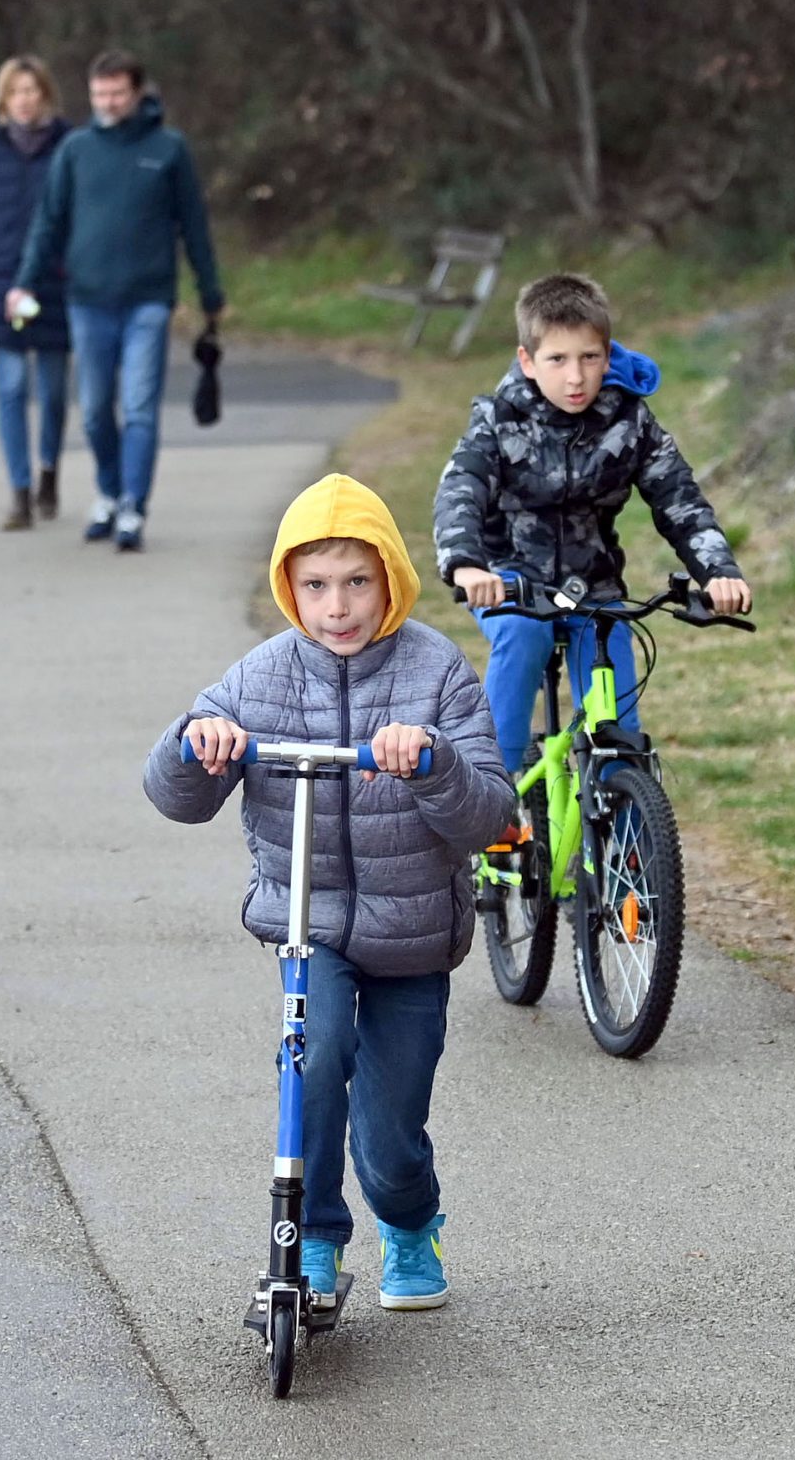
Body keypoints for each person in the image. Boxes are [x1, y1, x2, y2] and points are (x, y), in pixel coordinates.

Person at [142, 473, 513, 1310]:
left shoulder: (437, 670)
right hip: (309, 929)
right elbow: (176, 797)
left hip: (414, 933)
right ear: (288, 586)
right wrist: (196, 741)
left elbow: (489, 816)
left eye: (356, 582)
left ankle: (410, 1225)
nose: (336, 607)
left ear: (391, 579)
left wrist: (431, 762)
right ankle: (309, 1237)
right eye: (314, 585)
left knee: (390, 1130)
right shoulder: (261, 676)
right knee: (311, 1070)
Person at [432, 272, 756, 773]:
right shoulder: (498, 420)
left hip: (594, 587)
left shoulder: (630, 422)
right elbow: (461, 488)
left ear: (608, 356)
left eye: (589, 357)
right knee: (523, 635)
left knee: (617, 723)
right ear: (527, 361)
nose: (576, 377)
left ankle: (620, 806)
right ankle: (491, 782)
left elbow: (680, 499)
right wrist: (466, 565)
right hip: (511, 580)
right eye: (557, 360)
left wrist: (718, 572)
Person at [6, 49, 225, 554]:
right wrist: (24, 282)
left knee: (140, 407)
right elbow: (48, 221)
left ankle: (133, 506)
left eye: (117, 93)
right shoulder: (76, 150)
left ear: (138, 93)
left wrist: (209, 291)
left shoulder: (169, 149)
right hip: (88, 300)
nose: (107, 102)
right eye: (99, 94)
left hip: (148, 300)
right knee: (94, 411)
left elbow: (194, 226)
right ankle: (108, 491)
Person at [0, 55, 74, 530]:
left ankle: (49, 468)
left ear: (45, 95)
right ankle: (19, 491)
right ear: (3, 100)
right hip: (1, 284)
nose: (24, 100)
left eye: (31, 90)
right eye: (15, 92)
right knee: (10, 389)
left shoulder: (68, 146)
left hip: (55, 283)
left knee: (53, 392)